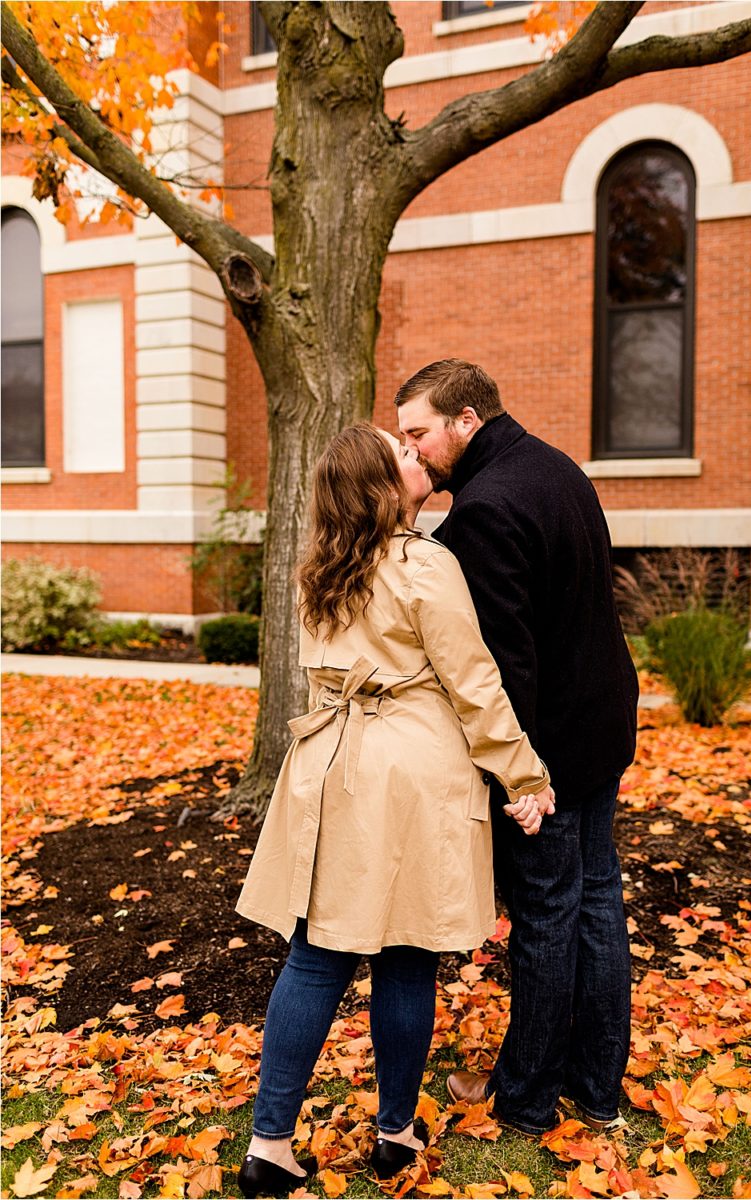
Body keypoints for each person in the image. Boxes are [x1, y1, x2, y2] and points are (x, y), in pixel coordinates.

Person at [235, 424, 555, 1196]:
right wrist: (525, 776)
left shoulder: (316, 565)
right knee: (407, 955)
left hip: (329, 764)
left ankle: (268, 1143)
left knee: (315, 954)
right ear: (382, 487)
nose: (419, 458)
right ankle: (395, 1133)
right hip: (407, 772)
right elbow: (474, 683)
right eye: (403, 456)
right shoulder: (423, 564)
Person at [394, 359, 639, 1134]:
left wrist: (515, 777)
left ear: (466, 420)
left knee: (546, 913)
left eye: (418, 432)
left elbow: (505, 667)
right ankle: (598, 1091)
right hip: (602, 724)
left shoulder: (486, 509)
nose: (413, 449)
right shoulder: (556, 466)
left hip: (552, 749)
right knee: (596, 900)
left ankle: (530, 1098)